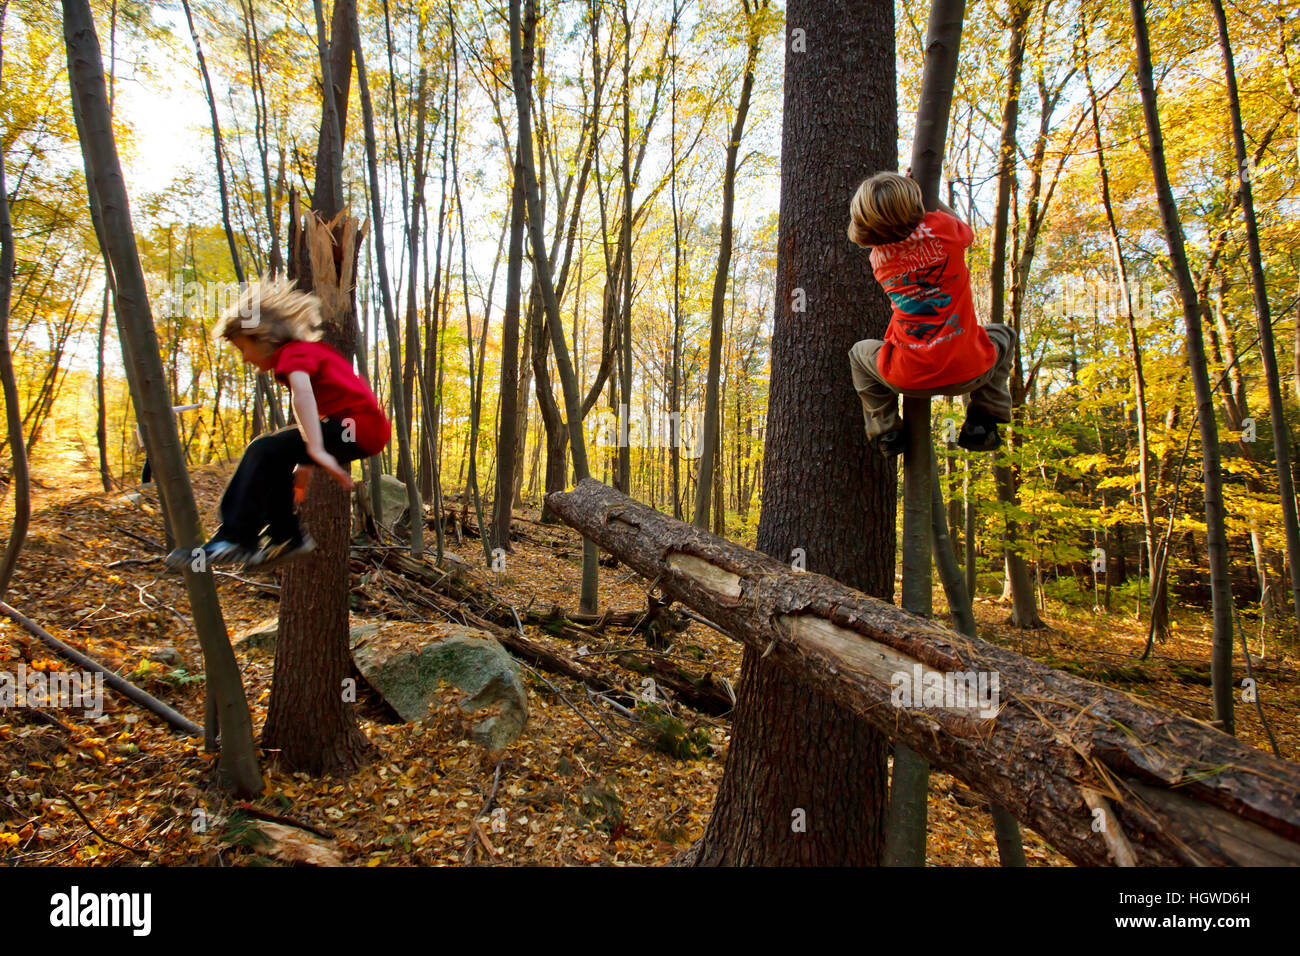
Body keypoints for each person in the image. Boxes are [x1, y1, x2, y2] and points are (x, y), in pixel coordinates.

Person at [165, 277, 391, 572]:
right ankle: (286, 536)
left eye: (243, 347)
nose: (245, 358)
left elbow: (303, 395)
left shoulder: (293, 353)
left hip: (358, 426)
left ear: (262, 336)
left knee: (263, 449)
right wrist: (307, 462)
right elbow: (332, 402)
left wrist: (317, 449)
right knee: (274, 457)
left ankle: (236, 538)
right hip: (357, 427)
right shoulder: (307, 352)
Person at [845, 170, 1014, 458]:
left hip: (908, 376)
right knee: (1002, 333)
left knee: (859, 353)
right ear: (915, 204)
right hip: (970, 370)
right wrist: (925, 193)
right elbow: (964, 229)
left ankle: (887, 430)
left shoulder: (878, 258)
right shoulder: (945, 230)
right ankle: (983, 420)